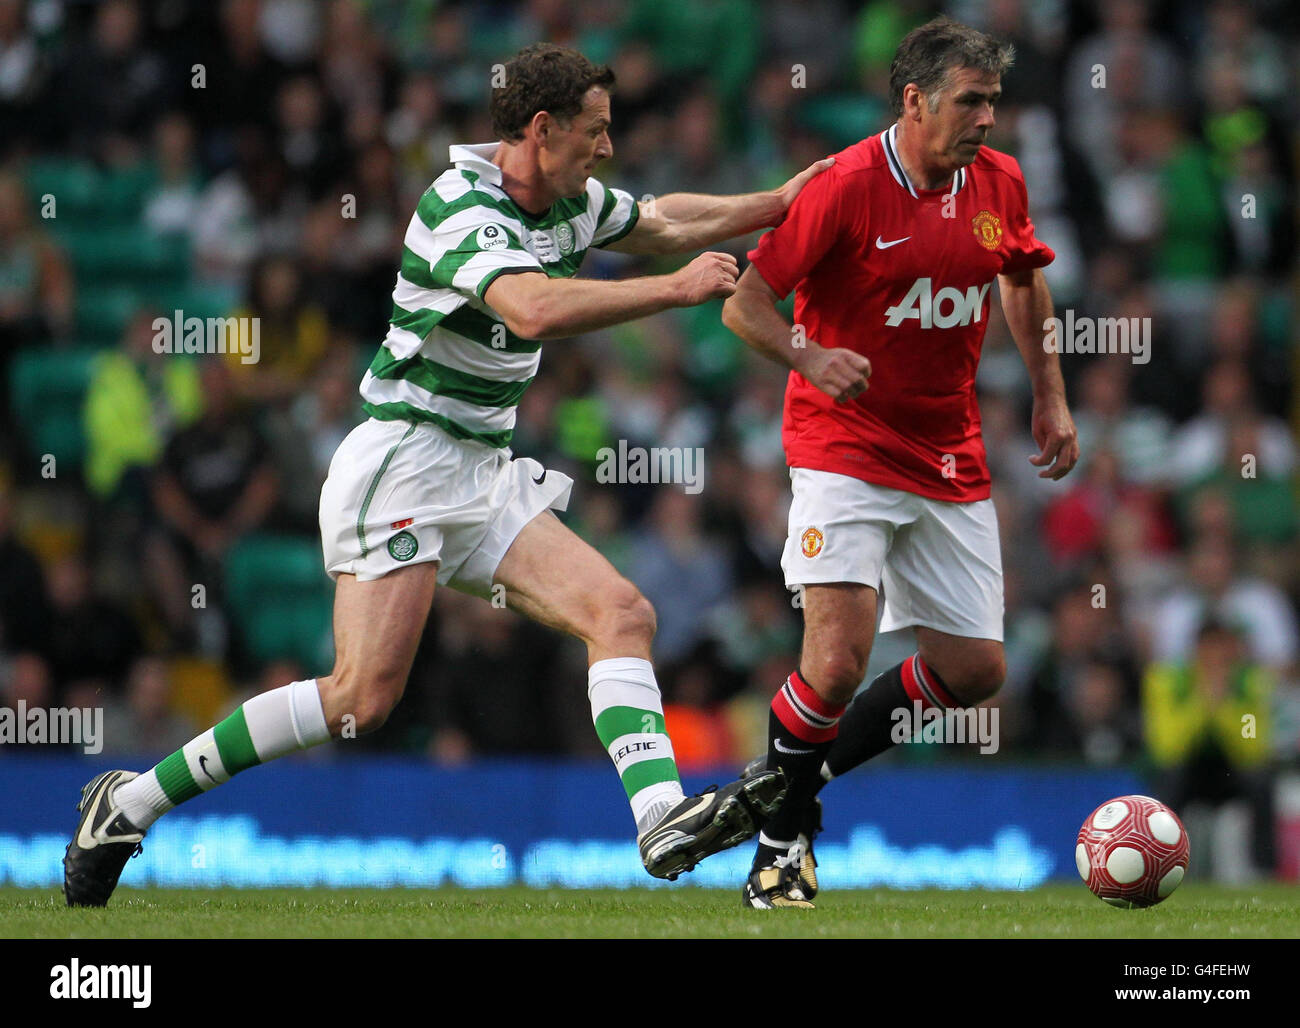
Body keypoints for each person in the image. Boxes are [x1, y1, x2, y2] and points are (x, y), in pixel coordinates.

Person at [63, 42, 834, 906]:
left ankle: (659, 818)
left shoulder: (571, 199)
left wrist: (772, 202)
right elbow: (533, 306)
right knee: (362, 698)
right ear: (542, 130)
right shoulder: (457, 204)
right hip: (405, 458)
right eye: (595, 131)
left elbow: (658, 220)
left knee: (621, 612)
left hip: (481, 467)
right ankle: (128, 801)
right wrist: (673, 291)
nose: (606, 148)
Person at [721, 16, 1079, 908]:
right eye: (972, 100)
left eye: (994, 101)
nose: (989, 119)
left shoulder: (999, 180)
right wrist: (806, 356)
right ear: (914, 102)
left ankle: (777, 780)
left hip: (947, 448)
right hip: (841, 445)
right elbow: (746, 303)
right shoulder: (842, 188)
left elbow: (1022, 277)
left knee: (976, 670)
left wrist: (1049, 391)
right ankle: (780, 843)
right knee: (836, 664)